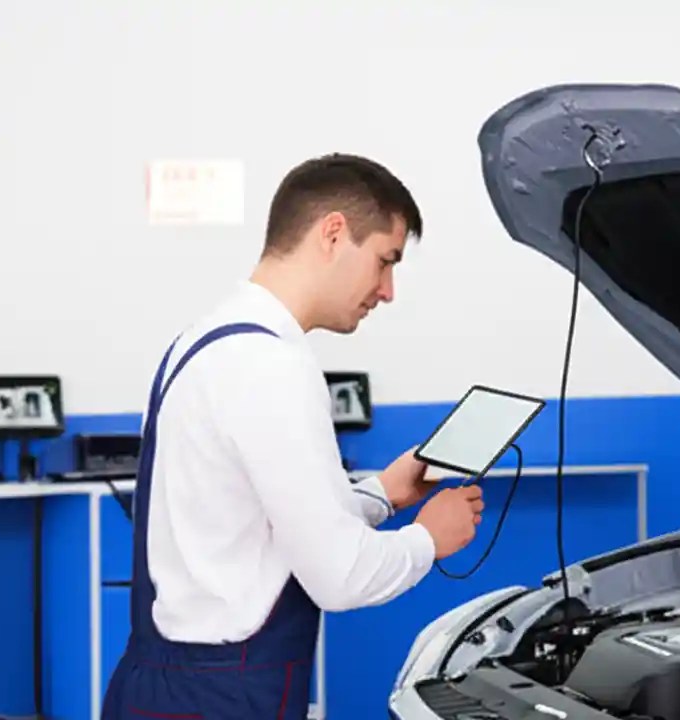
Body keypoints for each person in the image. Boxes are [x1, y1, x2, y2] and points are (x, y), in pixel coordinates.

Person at [101, 154, 484, 719]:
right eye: (384, 261)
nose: (387, 290)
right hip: (224, 697)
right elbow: (341, 577)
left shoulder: (204, 341)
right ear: (333, 232)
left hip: (166, 685)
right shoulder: (272, 365)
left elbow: (261, 528)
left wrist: (383, 494)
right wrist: (428, 538)